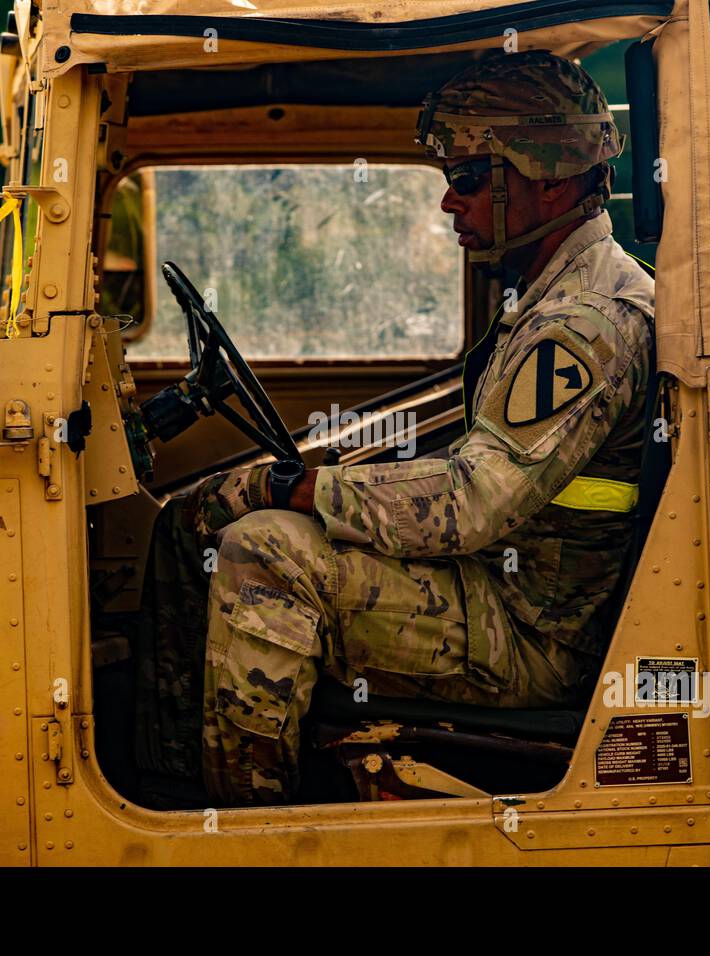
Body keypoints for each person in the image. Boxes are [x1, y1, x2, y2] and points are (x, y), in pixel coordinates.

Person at [134, 50, 655, 808]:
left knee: (262, 550)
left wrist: (295, 486)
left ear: (551, 176)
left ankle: (248, 833)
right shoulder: (551, 292)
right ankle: (167, 790)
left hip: (531, 636)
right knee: (201, 522)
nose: (450, 201)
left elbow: (474, 500)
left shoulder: (583, 323)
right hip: (500, 590)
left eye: (471, 177)